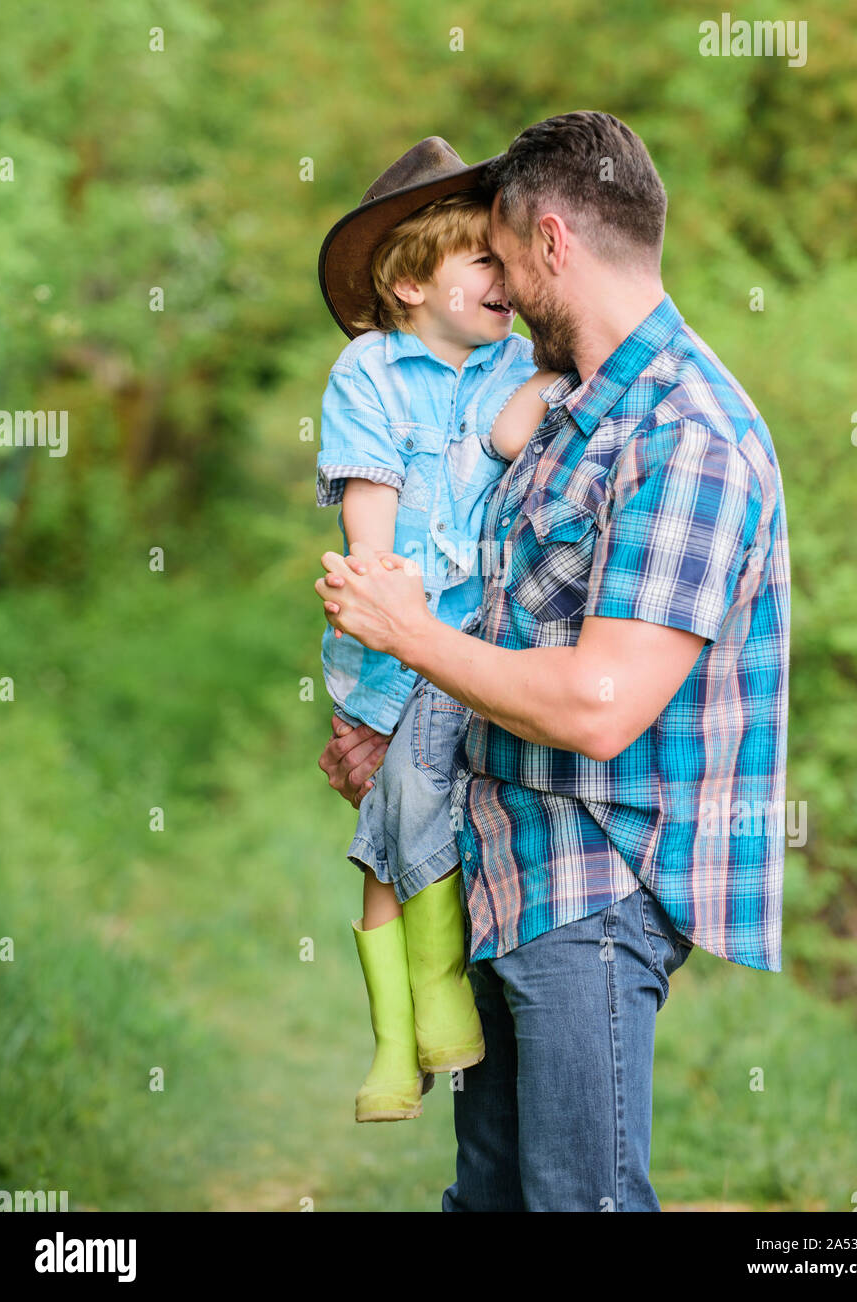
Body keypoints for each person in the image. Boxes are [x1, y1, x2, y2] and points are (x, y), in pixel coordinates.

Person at [316, 110, 791, 1210]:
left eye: (498, 249)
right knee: (490, 1196)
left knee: (580, 1199)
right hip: (504, 864)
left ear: (549, 244)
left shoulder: (683, 437)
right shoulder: (569, 409)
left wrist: (410, 639)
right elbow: (496, 621)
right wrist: (395, 738)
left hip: (594, 886)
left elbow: (596, 704)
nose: (499, 284)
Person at [316, 136, 551, 1122]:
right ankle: (425, 1005)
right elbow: (369, 488)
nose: (503, 281)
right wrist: (383, 597)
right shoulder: (369, 371)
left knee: (396, 816)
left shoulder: (511, 365)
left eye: (507, 263)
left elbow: (511, 433)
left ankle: (404, 1038)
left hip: (467, 644)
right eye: (481, 264)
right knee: (401, 802)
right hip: (389, 637)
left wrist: (564, 371)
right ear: (410, 283)